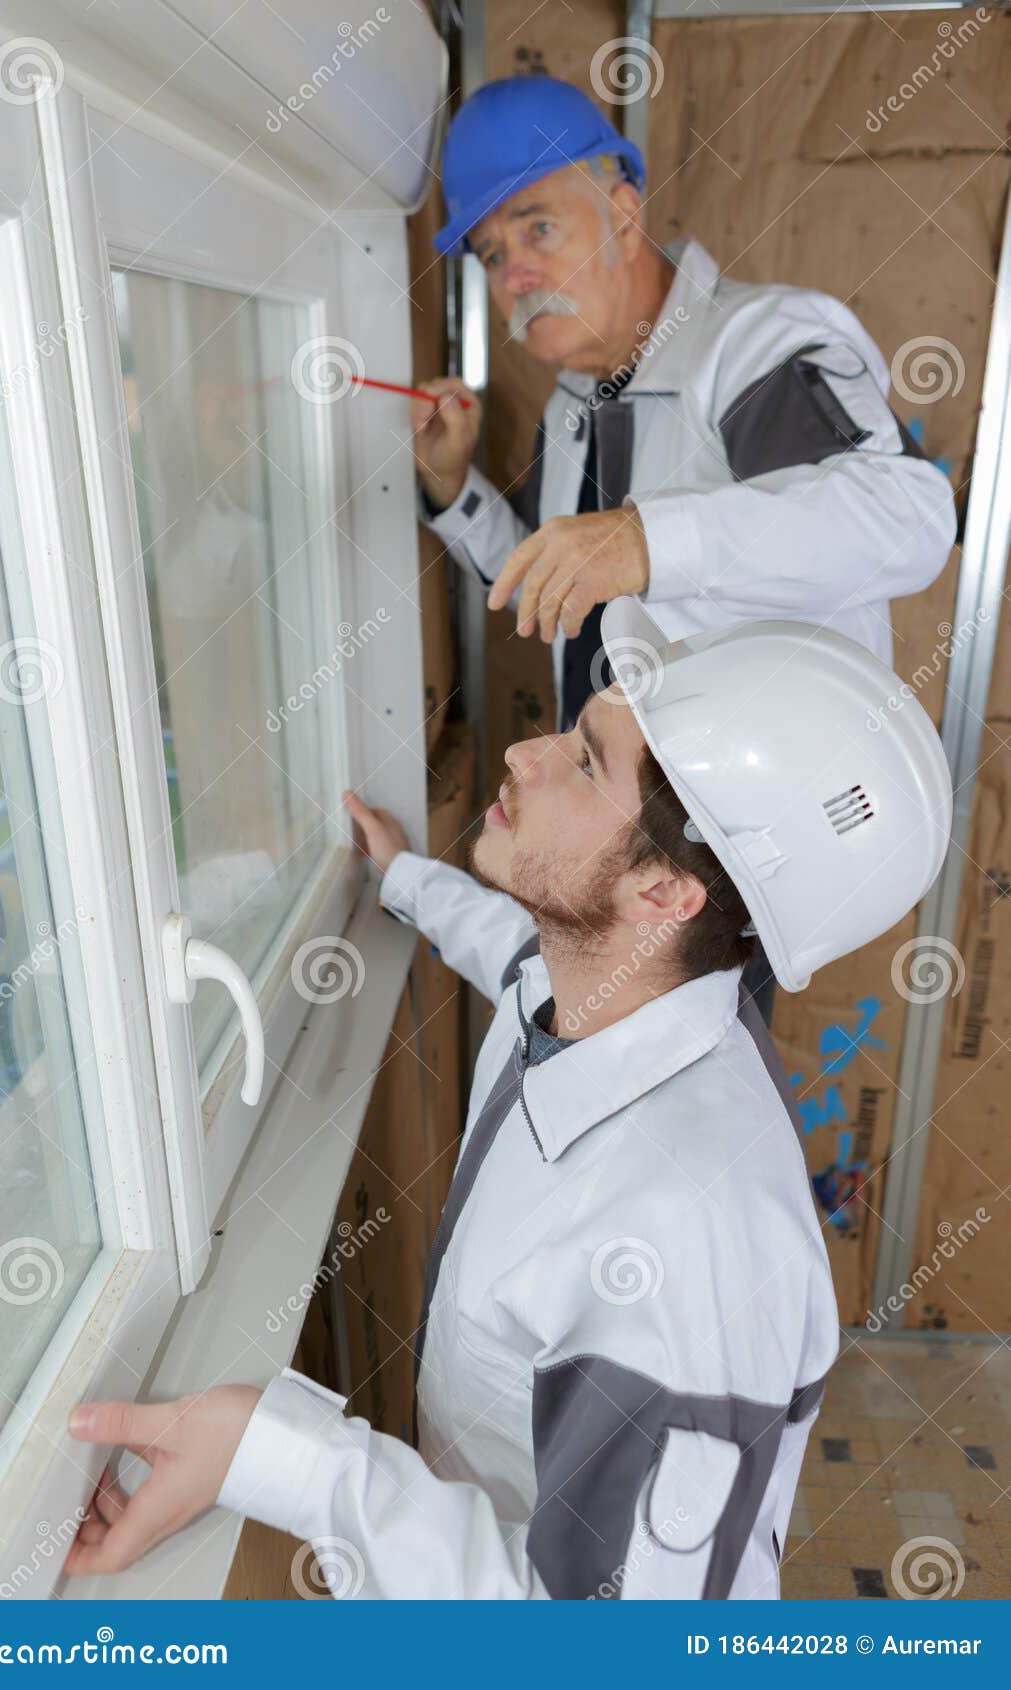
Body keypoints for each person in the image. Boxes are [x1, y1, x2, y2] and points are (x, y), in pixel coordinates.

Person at [63, 601, 952, 1599]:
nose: (527, 752)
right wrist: (402, 878)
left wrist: (274, 1455)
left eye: (582, 760)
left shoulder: (687, 1236)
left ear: (663, 894)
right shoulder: (604, 990)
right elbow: (512, 952)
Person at [413, 75, 956, 1024]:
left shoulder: (751, 348)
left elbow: (905, 517)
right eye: (493, 255)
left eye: (537, 228)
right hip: (605, 839)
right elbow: (556, 579)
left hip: (718, 861)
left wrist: (649, 538)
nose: (517, 276)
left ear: (624, 211)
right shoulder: (574, 406)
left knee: (681, 1107)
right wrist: (456, 491)